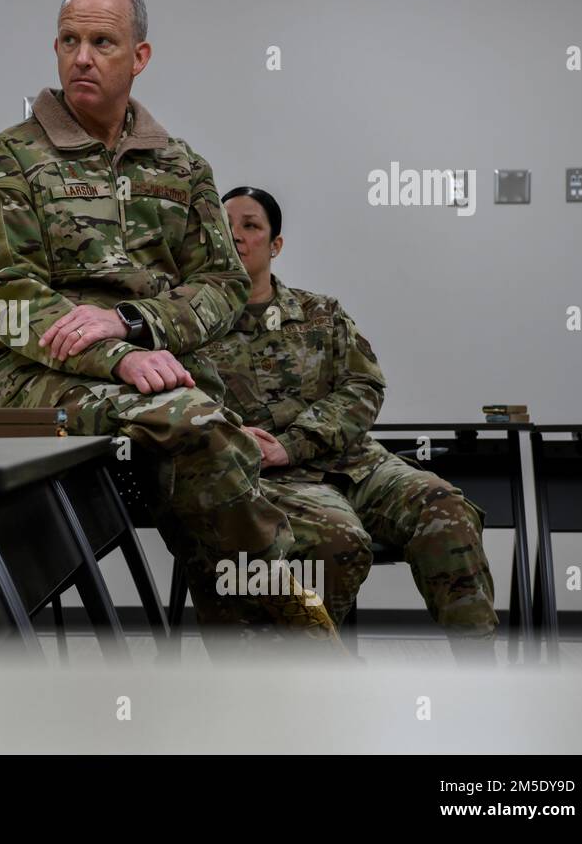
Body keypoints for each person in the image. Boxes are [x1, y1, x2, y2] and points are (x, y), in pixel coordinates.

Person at [0, 0, 341, 652]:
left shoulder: (182, 166)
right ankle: (286, 634)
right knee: (193, 421)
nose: (82, 57)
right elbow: (9, 302)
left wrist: (133, 323)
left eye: (102, 42)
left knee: (296, 494)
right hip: (44, 381)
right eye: (70, 41)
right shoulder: (7, 160)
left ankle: (255, 645)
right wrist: (118, 353)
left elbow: (223, 284)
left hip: (159, 371)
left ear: (139, 57)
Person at [203, 185, 499, 659]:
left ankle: (480, 670)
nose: (236, 235)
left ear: (275, 245)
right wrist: (253, 443)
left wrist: (296, 441)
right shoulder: (194, 327)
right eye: (226, 226)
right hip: (273, 479)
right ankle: (314, 673)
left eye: (251, 226)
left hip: (357, 465)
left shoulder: (322, 313)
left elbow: (364, 388)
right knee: (340, 539)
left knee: (445, 506)